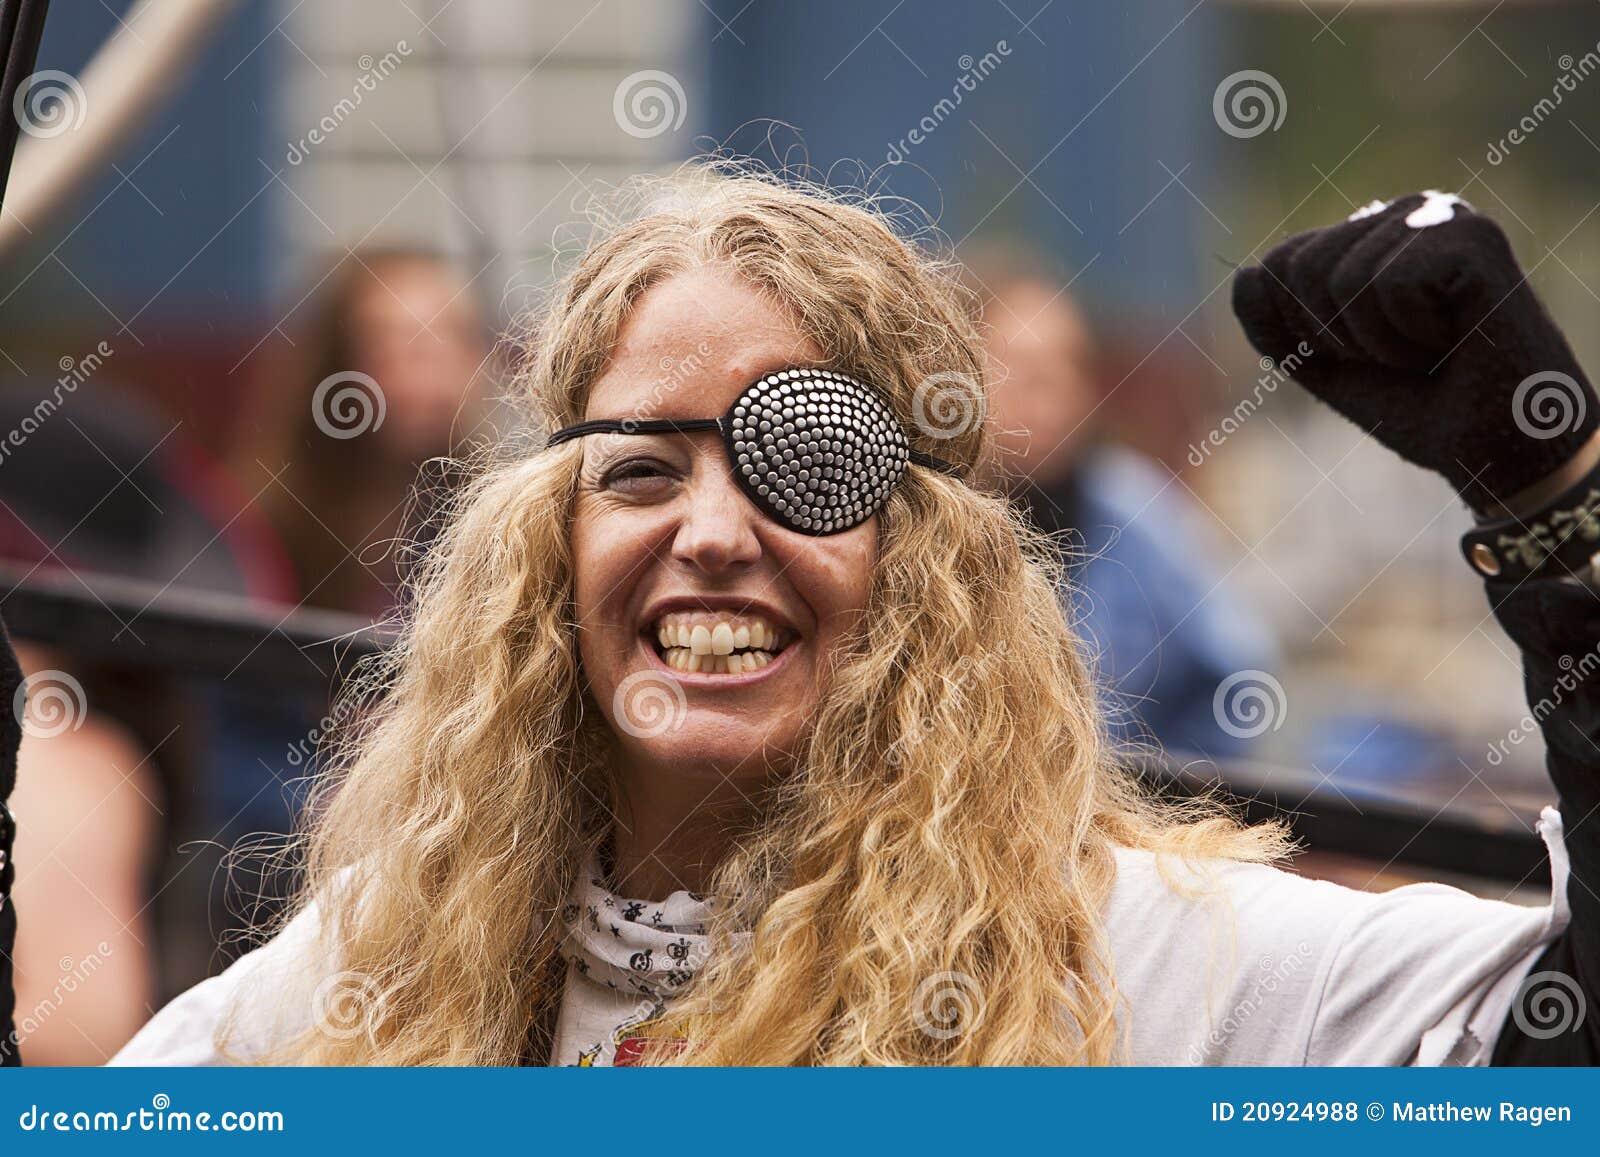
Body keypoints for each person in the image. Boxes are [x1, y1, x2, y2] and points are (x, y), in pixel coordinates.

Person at [105, 174, 1595, 1066]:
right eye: (641, 469)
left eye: (804, 463)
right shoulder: (384, 976)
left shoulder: (1155, 968)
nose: (709, 532)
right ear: (545, 550)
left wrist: (1558, 516)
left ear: (927, 563)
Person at [967, 248, 1273, 757]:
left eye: (1065, 368)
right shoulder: (929, 518)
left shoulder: (1132, 509)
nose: (1046, 397)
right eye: (1021, 373)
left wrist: (1164, 788)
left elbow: (1236, 671)